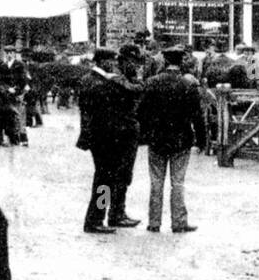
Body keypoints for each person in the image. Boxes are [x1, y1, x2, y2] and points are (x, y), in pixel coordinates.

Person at [137, 47, 207, 234]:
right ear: (181, 62)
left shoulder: (151, 82)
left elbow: (141, 112)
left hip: (157, 140)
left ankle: (154, 222)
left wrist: (144, 136)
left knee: (156, 182)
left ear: (164, 62)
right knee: (178, 182)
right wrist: (202, 140)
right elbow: (197, 115)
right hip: (181, 140)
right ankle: (179, 222)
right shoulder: (188, 85)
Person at [76, 48, 143, 233]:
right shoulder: (103, 83)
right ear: (102, 61)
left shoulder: (90, 80)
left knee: (107, 178)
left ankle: (107, 216)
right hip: (106, 137)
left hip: (102, 137)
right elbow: (133, 92)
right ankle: (96, 219)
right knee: (104, 180)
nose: (114, 64)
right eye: (111, 61)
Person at [0, 44, 30, 145]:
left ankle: (23, 139)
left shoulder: (20, 65)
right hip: (7, 95)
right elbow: (0, 81)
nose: (9, 55)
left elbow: (24, 79)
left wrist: (18, 90)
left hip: (18, 94)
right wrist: (7, 88)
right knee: (7, 116)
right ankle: (11, 138)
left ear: (14, 54)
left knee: (20, 116)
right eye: (7, 53)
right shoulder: (3, 66)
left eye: (11, 53)